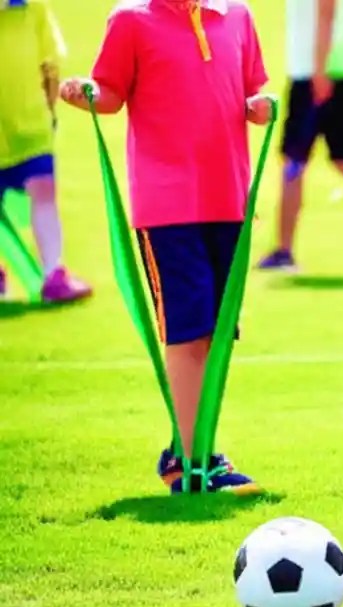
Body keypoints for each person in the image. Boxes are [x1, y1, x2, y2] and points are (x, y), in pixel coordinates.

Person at [59, 0, 274, 493]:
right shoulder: (131, 20)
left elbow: (251, 91)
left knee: (215, 335)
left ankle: (192, 456)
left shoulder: (237, 16)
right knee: (187, 330)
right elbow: (111, 93)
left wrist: (261, 107)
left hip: (230, 201)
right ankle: (193, 461)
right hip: (167, 205)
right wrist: (88, 92)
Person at [258, 0, 343, 272]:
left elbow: (326, 12)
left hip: (321, 72)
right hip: (322, 70)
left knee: (299, 160)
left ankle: (284, 251)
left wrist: (320, 71)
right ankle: (283, 250)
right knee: (323, 159)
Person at [0, 0, 91, 304]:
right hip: (27, 125)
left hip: (29, 127)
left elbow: (49, 65)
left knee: (43, 192)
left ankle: (53, 274)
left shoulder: (32, 9)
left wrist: (49, 113)